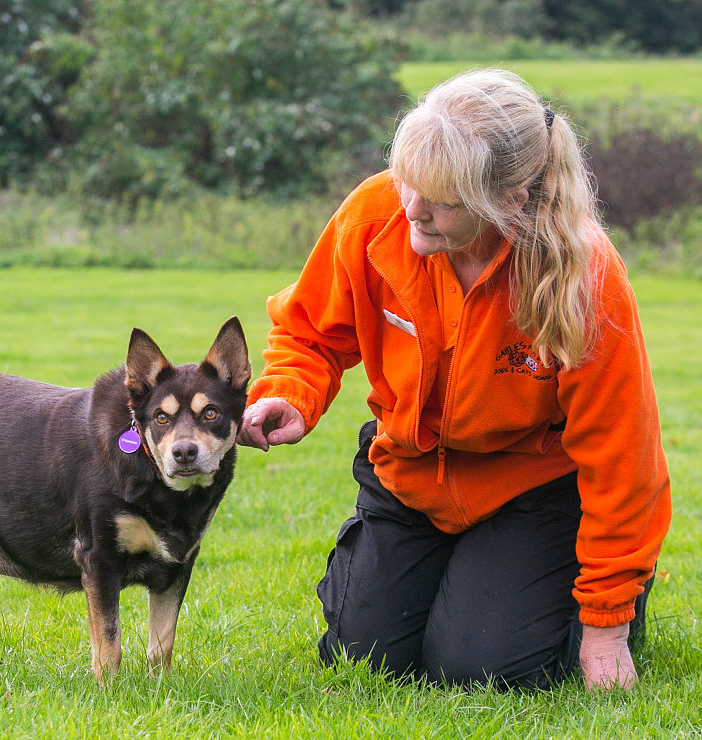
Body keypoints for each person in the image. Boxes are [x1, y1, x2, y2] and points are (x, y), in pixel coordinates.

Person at [238, 68, 671, 691]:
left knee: (480, 670)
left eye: (441, 196)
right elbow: (310, 332)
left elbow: (622, 456)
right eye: (408, 179)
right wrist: (291, 392)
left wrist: (606, 623)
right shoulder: (374, 214)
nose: (410, 206)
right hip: (411, 474)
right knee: (366, 660)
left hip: (528, 488)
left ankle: (610, 595)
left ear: (509, 201)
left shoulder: (585, 277)